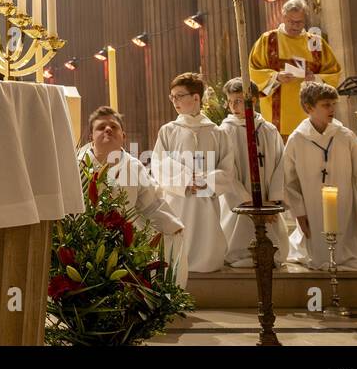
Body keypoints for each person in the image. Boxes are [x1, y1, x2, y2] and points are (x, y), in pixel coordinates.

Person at [79, 107, 185, 283]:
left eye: (114, 126)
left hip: (123, 244)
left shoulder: (134, 167)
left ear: (124, 136)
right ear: (90, 136)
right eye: (101, 127)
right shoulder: (77, 165)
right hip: (84, 244)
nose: (108, 129)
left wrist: (171, 224)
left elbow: (151, 204)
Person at [150, 72, 234, 276]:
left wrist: (206, 181)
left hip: (206, 199)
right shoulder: (168, 130)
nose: (174, 101)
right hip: (179, 199)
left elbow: (227, 168)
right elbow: (158, 163)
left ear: (196, 97)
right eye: (172, 97)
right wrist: (186, 180)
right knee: (178, 251)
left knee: (206, 245)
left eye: (179, 96)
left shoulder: (218, 132)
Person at [283, 81, 357, 269]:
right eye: (325, 105)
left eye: (333, 104)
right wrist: (299, 212)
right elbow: (289, 181)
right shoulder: (297, 139)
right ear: (309, 108)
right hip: (312, 205)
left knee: (347, 250)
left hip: (345, 202)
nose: (332, 109)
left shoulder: (346, 136)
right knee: (318, 251)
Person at [218, 77, 288, 268]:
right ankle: (239, 253)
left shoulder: (269, 129)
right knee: (239, 240)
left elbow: (281, 164)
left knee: (273, 246)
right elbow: (226, 171)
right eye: (230, 101)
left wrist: (272, 201)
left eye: (238, 101)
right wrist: (247, 201)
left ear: (253, 100)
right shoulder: (224, 132)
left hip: (267, 200)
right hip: (239, 202)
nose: (233, 106)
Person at [249, 0, 342, 137]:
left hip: (312, 118)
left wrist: (315, 78)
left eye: (299, 22)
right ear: (283, 17)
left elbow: (334, 72)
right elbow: (254, 71)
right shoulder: (268, 40)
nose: (295, 26)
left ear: (305, 20)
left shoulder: (315, 42)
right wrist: (276, 77)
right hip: (278, 120)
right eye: (291, 21)